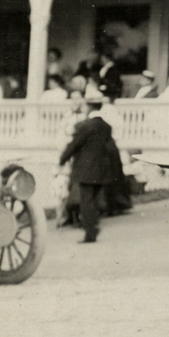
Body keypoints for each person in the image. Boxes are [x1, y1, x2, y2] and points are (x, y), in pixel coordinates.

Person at [58, 94, 123, 243]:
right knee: (92, 200)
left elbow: (74, 145)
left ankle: (90, 232)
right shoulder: (106, 126)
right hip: (101, 170)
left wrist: (62, 159)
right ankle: (93, 225)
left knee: (86, 201)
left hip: (86, 170)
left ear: (89, 107)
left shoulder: (85, 126)